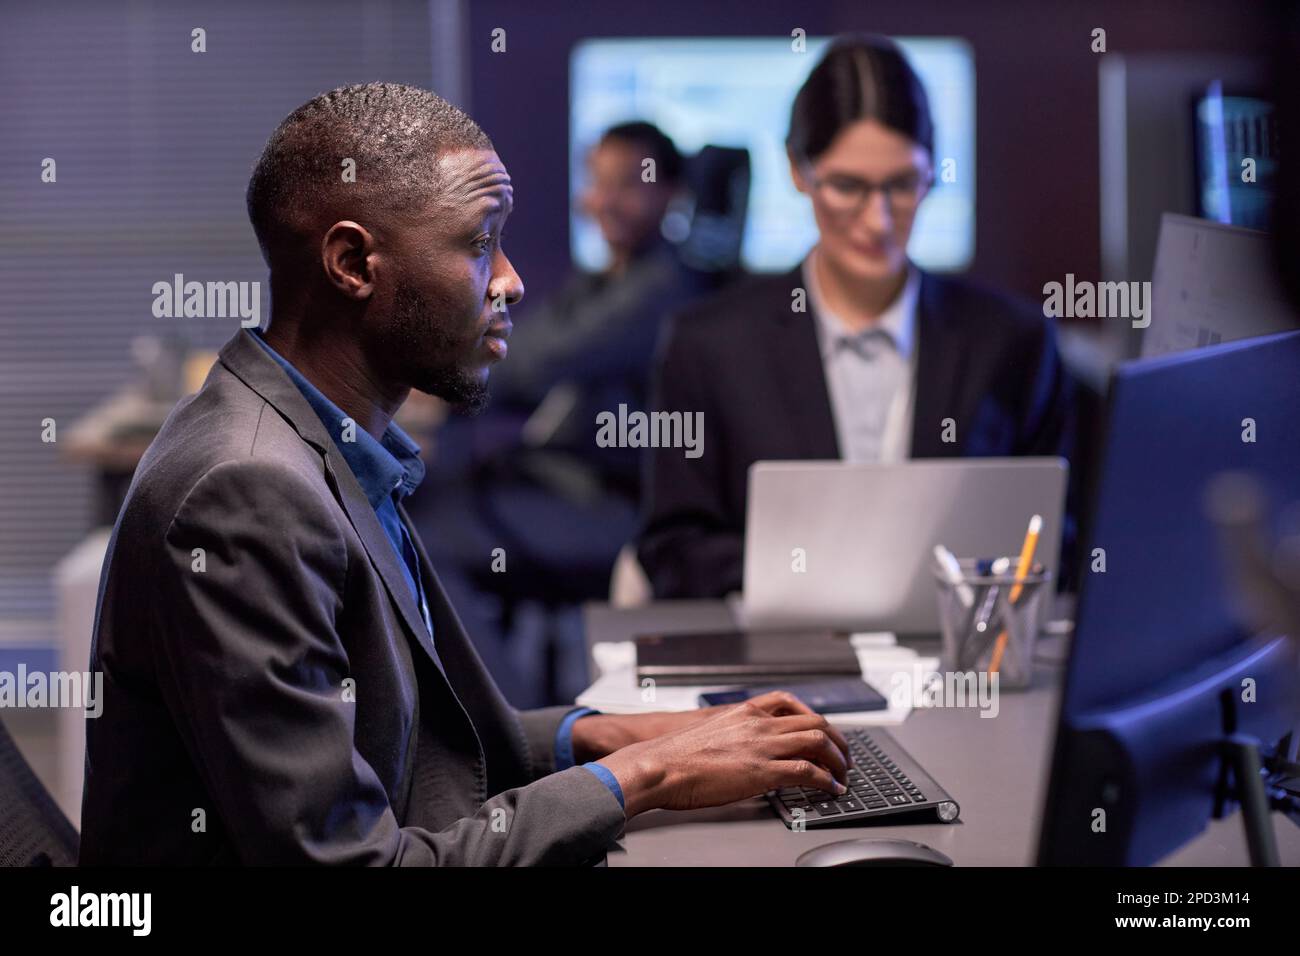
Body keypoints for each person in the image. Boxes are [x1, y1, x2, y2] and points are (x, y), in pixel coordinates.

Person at [79, 83, 851, 866]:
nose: (510, 279)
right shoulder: (247, 490)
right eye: (480, 243)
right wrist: (645, 776)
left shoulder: (327, 443)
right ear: (351, 263)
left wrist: (629, 735)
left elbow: (426, 739)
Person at [638, 36, 1076, 599]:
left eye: (901, 185)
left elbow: (1054, 542)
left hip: (959, 663)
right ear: (799, 171)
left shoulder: (1013, 342)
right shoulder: (708, 347)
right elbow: (673, 550)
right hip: (777, 664)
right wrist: (823, 578)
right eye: (848, 186)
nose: (877, 221)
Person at [405, 122, 709, 704]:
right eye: (597, 182)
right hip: (559, 488)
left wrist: (434, 368)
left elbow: (529, 363)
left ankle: (512, 730)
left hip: (617, 510)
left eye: (628, 184)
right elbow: (510, 351)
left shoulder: (663, 290)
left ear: (673, 193)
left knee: (427, 538)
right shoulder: (603, 281)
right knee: (427, 503)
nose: (605, 200)